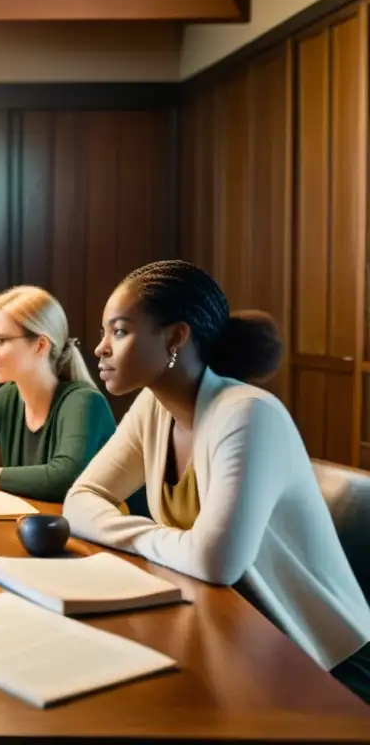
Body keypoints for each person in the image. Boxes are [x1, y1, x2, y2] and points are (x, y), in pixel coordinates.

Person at [63, 259, 370, 704]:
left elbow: (215, 561)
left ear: (175, 337)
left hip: (328, 664)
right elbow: (81, 499)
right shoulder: (154, 409)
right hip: (244, 638)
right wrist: (162, 539)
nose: (100, 349)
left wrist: (133, 533)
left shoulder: (248, 414)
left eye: (120, 331)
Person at [0, 286, 116, 500]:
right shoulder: (10, 395)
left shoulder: (84, 401)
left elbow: (64, 478)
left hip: (118, 530)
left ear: (40, 345)